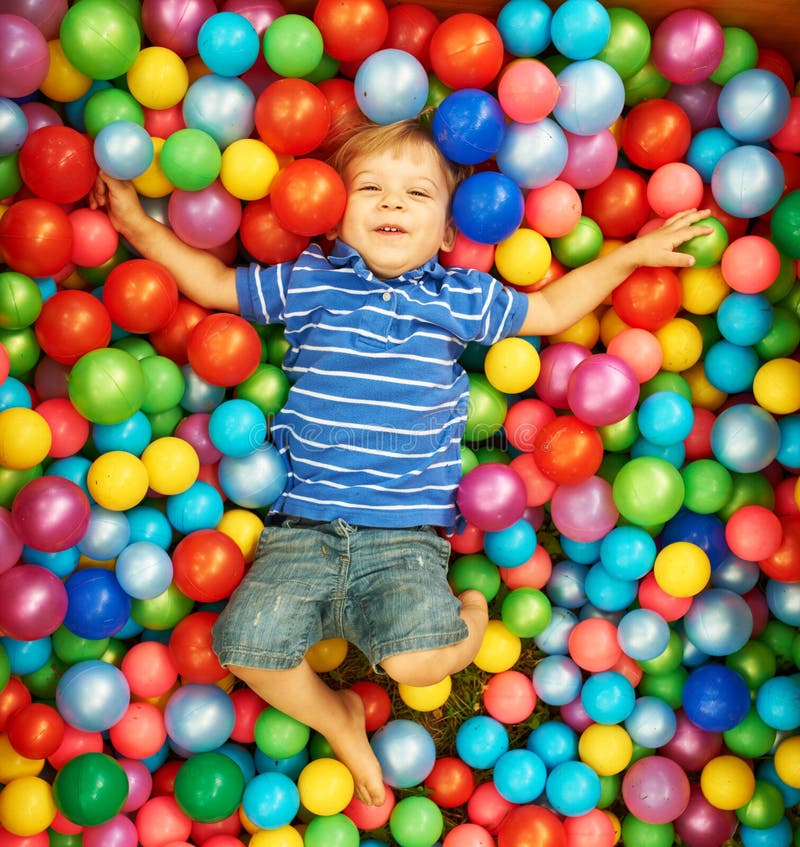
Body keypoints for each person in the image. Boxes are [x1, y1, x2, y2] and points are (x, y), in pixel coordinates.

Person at [90, 117, 711, 806]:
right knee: (242, 646)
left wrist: (631, 254)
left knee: (419, 662)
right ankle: (341, 719)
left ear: (447, 230)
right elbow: (211, 282)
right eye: (370, 188)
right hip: (302, 529)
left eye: (417, 193)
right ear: (330, 213)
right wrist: (139, 228)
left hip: (404, 540)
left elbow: (553, 306)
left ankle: (469, 614)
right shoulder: (311, 282)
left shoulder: (457, 297)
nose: (391, 203)